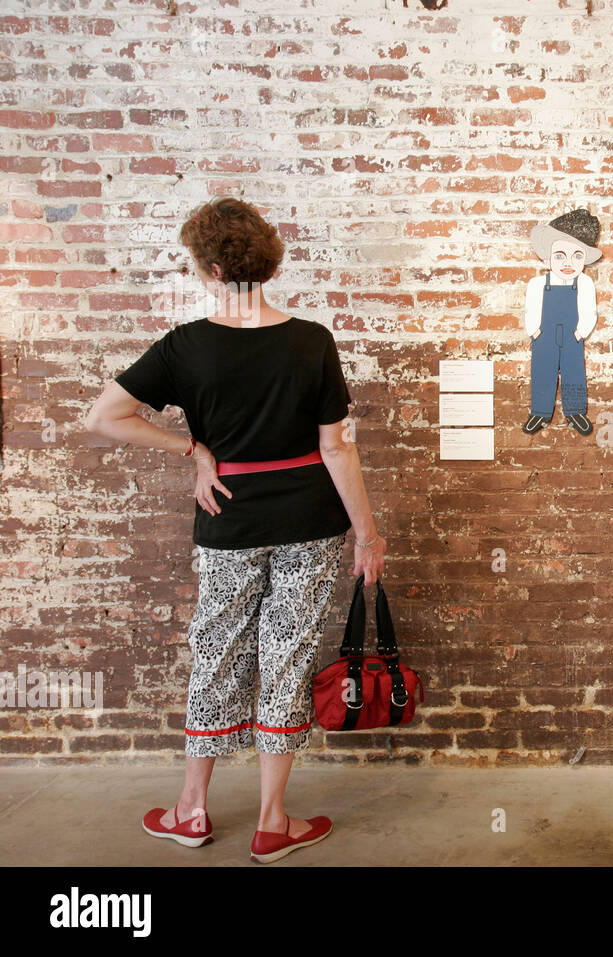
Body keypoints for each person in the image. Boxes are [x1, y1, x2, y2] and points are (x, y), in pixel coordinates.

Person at [82, 197, 386, 863]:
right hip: (311, 521)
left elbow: (104, 416)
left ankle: (191, 811)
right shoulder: (312, 340)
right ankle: (273, 821)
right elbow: (337, 448)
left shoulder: (185, 346)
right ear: (265, 264)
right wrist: (367, 534)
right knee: (288, 655)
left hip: (228, 521)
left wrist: (192, 451)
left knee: (218, 653)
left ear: (214, 269)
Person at [521, 208, 600, 436]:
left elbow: (589, 311)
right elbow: (531, 308)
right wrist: (534, 331)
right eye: (560, 256)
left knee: (573, 370)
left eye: (577, 256)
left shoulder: (584, 283)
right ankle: (540, 411)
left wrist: (580, 332)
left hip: (571, 334)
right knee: (542, 370)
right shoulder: (537, 284)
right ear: (547, 258)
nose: (568, 262)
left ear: (584, 260)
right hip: (544, 334)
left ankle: (575, 412)